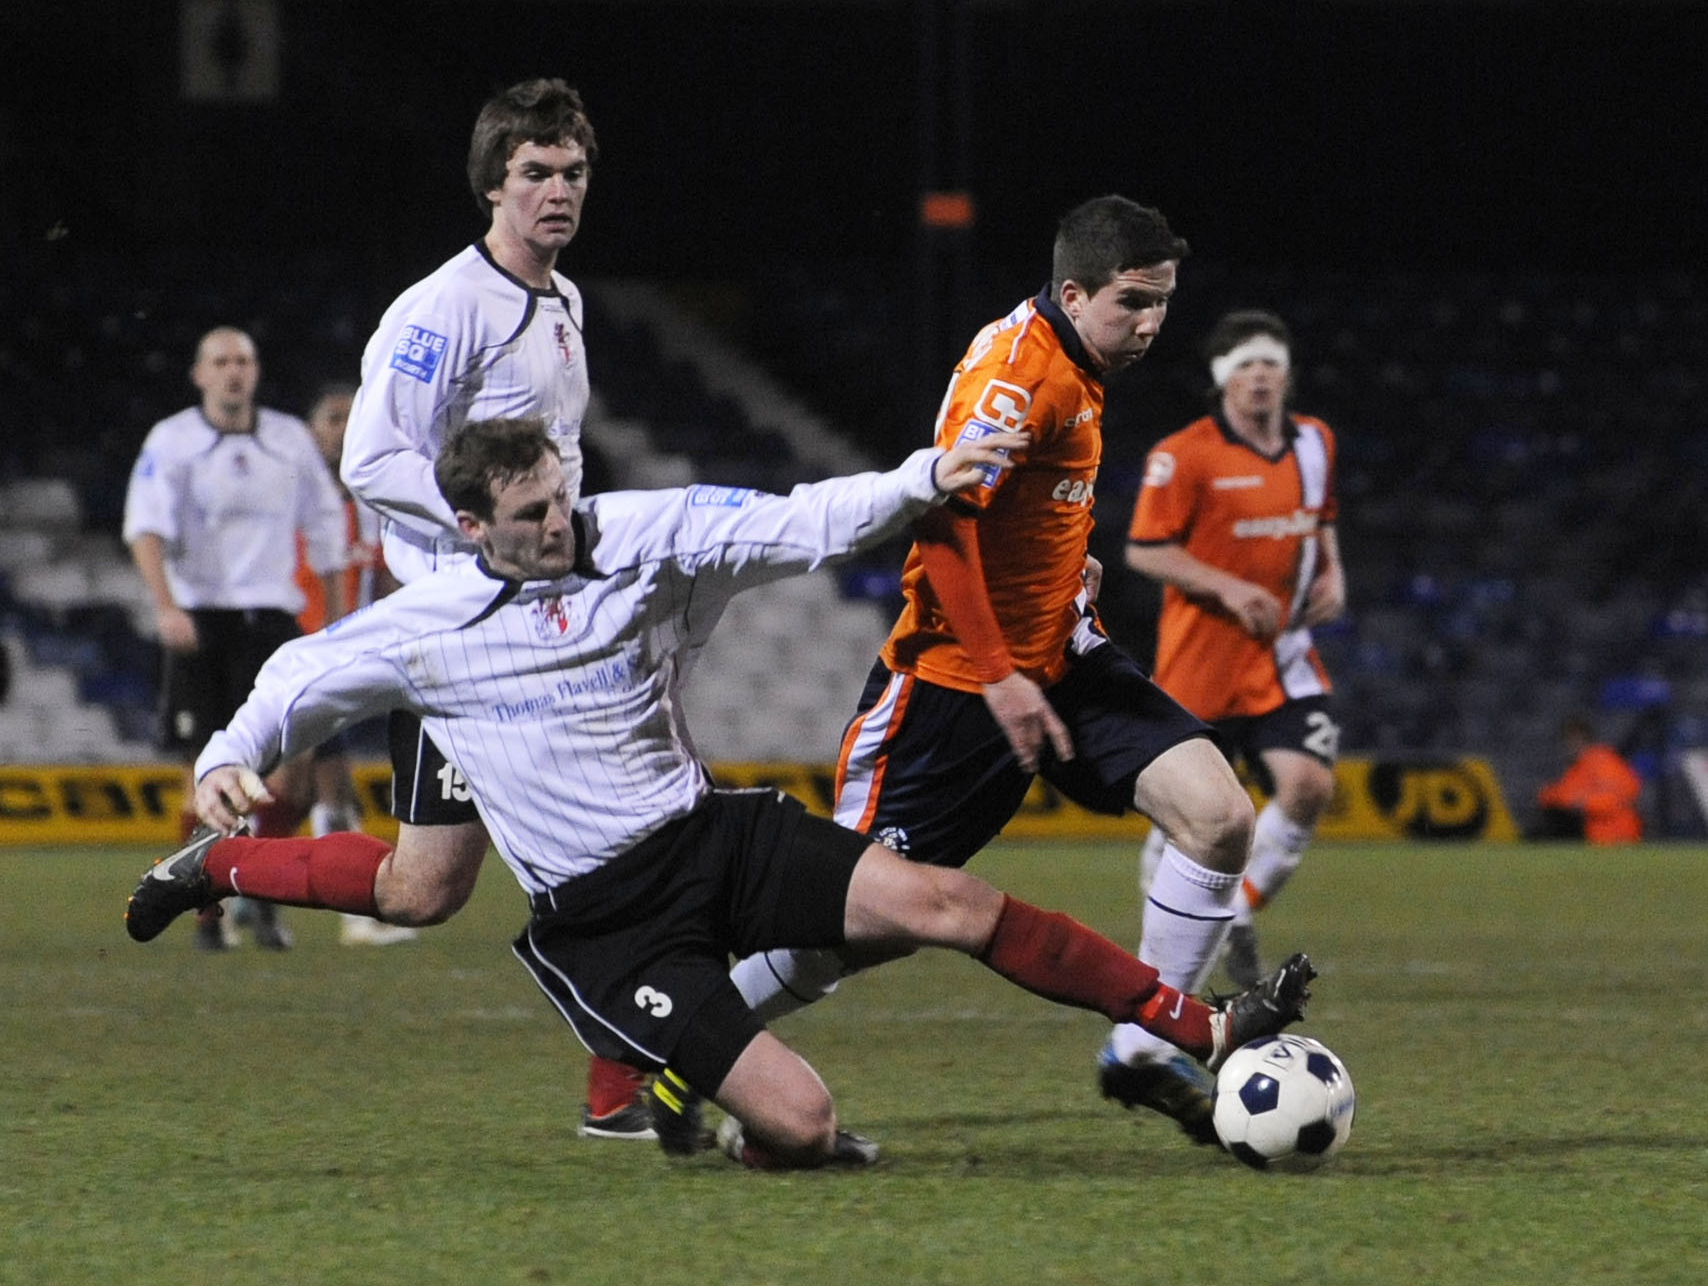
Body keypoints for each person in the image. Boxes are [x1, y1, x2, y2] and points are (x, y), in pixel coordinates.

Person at [124, 417, 1316, 1169]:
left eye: (562, 494)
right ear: (472, 526)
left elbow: (798, 525)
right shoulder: (425, 628)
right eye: (532, 514)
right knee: (801, 1124)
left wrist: (919, 478)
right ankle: (213, 867)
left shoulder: (635, 535)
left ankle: (1193, 1025)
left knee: (945, 902)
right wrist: (229, 755)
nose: (560, 522)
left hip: (713, 838)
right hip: (609, 922)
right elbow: (299, 677)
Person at [726, 196, 1263, 1146]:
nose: (1150, 324)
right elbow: (940, 525)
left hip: (1064, 657)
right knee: (846, 930)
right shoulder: (1019, 375)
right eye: (1133, 302)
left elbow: (1029, 504)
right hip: (953, 688)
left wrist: (1069, 567)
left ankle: (1146, 1049)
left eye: (1162, 303)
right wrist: (999, 673)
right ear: (1073, 292)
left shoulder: (1078, 361)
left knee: (1219, 818)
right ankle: (685, 1043)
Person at [335, 78, 643, 1130]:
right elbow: (373, 458)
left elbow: (558, 469)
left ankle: (622, 1091)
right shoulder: (442, 309)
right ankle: (626, 1090)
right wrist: (488, 535)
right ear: (492, 184)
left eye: (573, 173)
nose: (559, 192)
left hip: (542, 618)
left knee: (429, 888)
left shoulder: (566, 303)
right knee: (576, 849)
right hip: (462, 631)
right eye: (536, 173)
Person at [1124, 309, 1345, 990]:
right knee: (1187, 822)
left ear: (1287, 375)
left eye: (1270, 364)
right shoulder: (1183, 454)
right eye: (1245, 365)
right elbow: (1144, 549)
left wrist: (1334, 570)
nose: (1259, 377)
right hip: (1201, 664)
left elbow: (1320, 518)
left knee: (1309, 786)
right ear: (1223, 378)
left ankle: (1236, 912)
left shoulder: (1315, 441)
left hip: (1282, 657)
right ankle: (1168, 962)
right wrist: (1226, 586)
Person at [121, 326, 347, 950]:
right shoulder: (172, 440)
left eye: (243, 360)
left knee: (293, 777)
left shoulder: (289, 439)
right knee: (201, 775)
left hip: (272, 620)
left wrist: (335, 624)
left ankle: (261, 894)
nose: (233, 371)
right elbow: (145, 528)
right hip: (201, 620)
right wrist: (166, 606)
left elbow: (327, 530)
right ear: (200, 375)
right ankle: (207, 914)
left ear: (256, 371)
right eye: (220, 361)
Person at [293, 381, 415, 946]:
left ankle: (242, 894)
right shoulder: (292, 499)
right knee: (321, 784)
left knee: (316, 785)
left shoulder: (372, 505)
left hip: (346, 659)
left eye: (351, 418)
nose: (342, 430)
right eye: (332, 418)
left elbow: (384, 579)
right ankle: (355, 912)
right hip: (300, 654)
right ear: (312, 430)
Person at [1534, 715, 1643, 843]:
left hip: (1618, 836)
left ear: (1581, 739)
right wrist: (1558, 796)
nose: (1567, 746)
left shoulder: (1602, 760)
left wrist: (1583, 801)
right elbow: (1558, 795)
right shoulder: (1578, 767)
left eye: (1571, 740)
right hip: (1594, 837)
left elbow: (1614, 799)